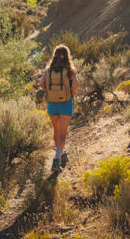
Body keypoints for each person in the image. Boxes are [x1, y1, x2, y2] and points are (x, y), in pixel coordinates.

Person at [38, 44, 78, 172]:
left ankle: (61, 152)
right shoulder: (70, 70)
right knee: (63, 134)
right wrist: (71, 93)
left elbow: (40, 84)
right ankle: (56, 159)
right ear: (67, 56)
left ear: (54, 55)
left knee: (56, 131)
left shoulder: (48, 70)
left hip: (52, 104)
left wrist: (49, 91)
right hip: (66, 103)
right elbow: (76, 84)